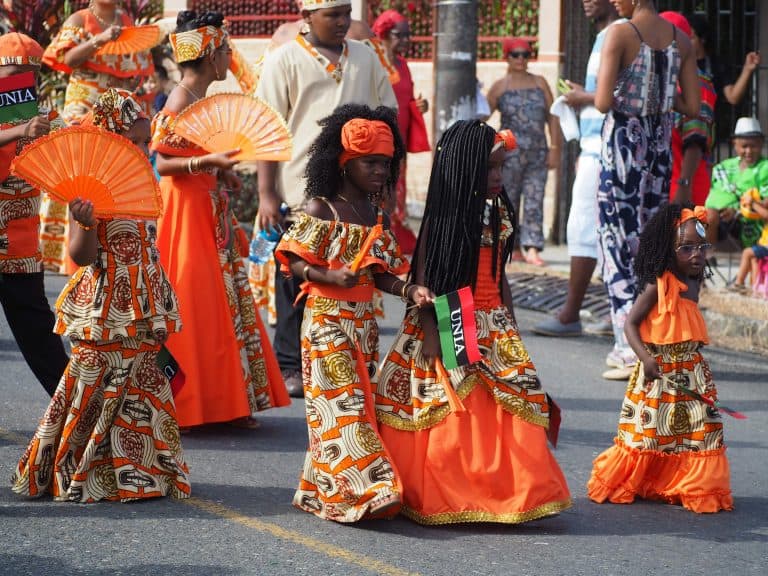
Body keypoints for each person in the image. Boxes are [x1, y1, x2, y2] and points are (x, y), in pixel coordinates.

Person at [376, 120, 572, 525]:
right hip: (447, 320)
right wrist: (432, 334)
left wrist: (510, 325)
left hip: (494, 323)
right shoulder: (442, 220)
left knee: (514, 403)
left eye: (501, 167)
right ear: (464, 170)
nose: (498, 177)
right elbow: (425, 279)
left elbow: (500, 277)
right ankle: (452, 494)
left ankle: (508, 492)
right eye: (489, 169)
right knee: (451, 411)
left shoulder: (498, 216)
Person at [11, 88, 191, 502]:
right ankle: (79, 466)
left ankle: (138, 471)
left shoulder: (142, 184)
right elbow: (81, 255)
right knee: (92, 389)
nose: (145, 149)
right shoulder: (91, 186)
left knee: (139, 387)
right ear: (110, 136)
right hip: (105, 304)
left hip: (142, 304)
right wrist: (86, 224)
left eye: (147, 142)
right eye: (137, 140)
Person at [275, 104, 433, 523]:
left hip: (364, 327)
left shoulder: (376, 215)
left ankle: (320, 487)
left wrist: (409, 288)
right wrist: (326, 274)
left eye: (386, 164)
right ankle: (370, 489)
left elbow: (380, 275)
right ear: (345, 164)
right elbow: (292, 261)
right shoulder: (320, 209)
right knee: (343, 405)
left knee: (352, 407)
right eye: (371, 163)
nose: (380, 172)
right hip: (326, 321)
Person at [152, 10, 289, 430]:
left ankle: (223, 401)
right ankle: (192, 402)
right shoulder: (179, 100)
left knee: (222, 304)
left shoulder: (200, 100)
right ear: (211, 55)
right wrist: (206, 162)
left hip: (207, 207)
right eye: (227, 49)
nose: (231, 56)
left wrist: (218, 170)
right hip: (185, 213)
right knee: (196, 304)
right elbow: (163, 163)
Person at [254, 0, 397, 398]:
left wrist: (388, 186)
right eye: (332, 14)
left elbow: (387, 118)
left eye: (345, 13)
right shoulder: (283, 59)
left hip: (353, 195)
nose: (342, 22)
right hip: (299, 192)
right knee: (294, 278)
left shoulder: (367, 57)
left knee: (351, 280)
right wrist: (266, 194)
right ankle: (289, 365)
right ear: (306, 17)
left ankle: (347, 360)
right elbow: (267, 129)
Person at [587, 204, 733, 513]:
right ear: (668, 250)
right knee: (650, 434)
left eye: (701, 247)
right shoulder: (658, 284)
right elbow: (630, 324)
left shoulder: (696, 282)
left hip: (691, 373)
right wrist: (645, 359)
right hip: (658, 372)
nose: (696, 254)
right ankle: (642, 479)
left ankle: (695, 485)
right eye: (686, 248)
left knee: (700, 433)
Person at [594, 0, 699, 380]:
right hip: (658, 152)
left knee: (615, 243)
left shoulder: (619, 33)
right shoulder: (681, 41)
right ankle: (651, 338)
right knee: (651, 243)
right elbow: (691, 105)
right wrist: (658, 96)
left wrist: (630, 95)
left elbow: (603, 101)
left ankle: (627, 348)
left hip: (624, 149)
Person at [39, 0, 155, 275]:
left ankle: (115, 239)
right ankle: (71, 247)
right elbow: (67, 60)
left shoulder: (126, 20)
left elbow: (134, 66)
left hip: (118, 107)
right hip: (85, 102)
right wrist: (100, 40)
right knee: (78, 172)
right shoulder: (79, 20)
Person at [533, 0, 620, 337]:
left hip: (603, 148)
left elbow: (615, 92)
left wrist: (583, 97)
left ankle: (571, 313)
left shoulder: (617, 34)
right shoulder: (605, 36)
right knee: (603, 229)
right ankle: (617, 313)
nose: (585, 2)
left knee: (584, 226)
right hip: (594, 146)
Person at [0, 32, 69, 398]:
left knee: (41, 336)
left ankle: (74, 414)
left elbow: (72, 160)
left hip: (20, 248)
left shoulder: (47, 120)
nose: (15, 86)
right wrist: (18, 130)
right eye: (9, 77)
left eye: (25, 77)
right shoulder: (29, 123)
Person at [487, 37, 561, 266]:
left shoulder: (540, 83)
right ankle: (511, 245)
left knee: (535, 198)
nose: (521, 59)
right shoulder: (500, 86)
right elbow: (483, 115)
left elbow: (553, 116)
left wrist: (555, 148)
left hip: (537, 152)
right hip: (508, 155)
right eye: (515, 54)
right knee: (507, 199)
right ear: (507, 57)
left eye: (525, 55)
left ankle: (532, 247)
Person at [371, 9, 429, 256]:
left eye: (408, 35)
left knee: (397, 189)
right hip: (378, 139)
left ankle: (394, 237)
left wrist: (419, 107)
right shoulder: (374, 64)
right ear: (383, 34)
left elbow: (406, 99)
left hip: (400, 138)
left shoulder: (403, 65)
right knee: (379, 187)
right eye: (400, 35)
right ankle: (377, 237)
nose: (406, 40)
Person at [660, 12, 716, 208]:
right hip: (662, 187)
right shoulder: (664, 79)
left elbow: (695, 140)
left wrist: (684, 184)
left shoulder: (697, 83)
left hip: (684, 189)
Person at [705, 117, 768, 250]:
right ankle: (707, 256)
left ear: (761, 143)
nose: (749, 151)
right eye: (744, 146)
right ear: (735, 144)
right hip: (716, 219)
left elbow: (765, 202)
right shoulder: (724, 167)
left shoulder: (765, 167)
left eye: (753, 146)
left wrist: (737, 211)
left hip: (749, 221)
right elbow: (708, 191)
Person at [686, 13, 760, 108]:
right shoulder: (678, 64)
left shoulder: (716, 64)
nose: (686, 42)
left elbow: (733, 97)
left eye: (691, 38)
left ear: (703, 39)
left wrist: (747, 69)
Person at [730, 193, 768, 292]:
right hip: (765, 245)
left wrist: (752, 203)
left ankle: (739, 283)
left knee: (747, 252)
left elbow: (766, 215)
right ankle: (755, 287)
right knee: (754, 258)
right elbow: (763, 204)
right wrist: (751, 202)